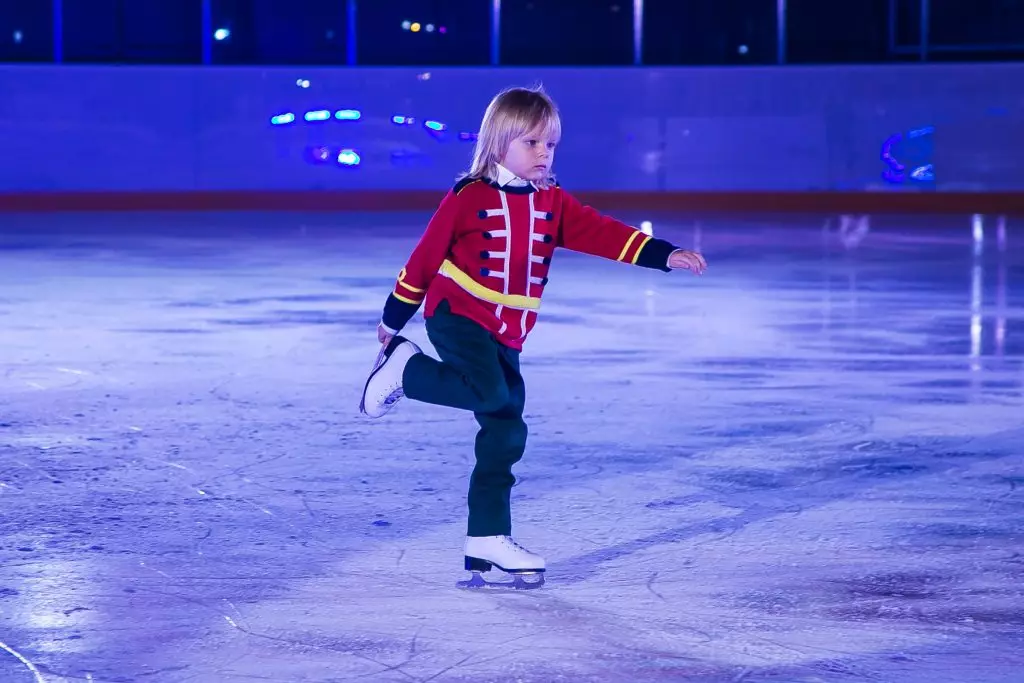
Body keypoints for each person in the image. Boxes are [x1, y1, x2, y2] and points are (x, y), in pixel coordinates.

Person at [359, 85, 706, 586]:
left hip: (508, 332)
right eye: (532, 144)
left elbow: (603, 232)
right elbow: (424, 258)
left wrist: (662, 254)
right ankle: (406, 370)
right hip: (457, 313)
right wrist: (394, 320)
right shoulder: (468, 196)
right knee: (489, 392)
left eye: (550, 145)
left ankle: (486, 536)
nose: (544, 154)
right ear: (500, 143)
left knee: (506, 429)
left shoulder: (553, 203)